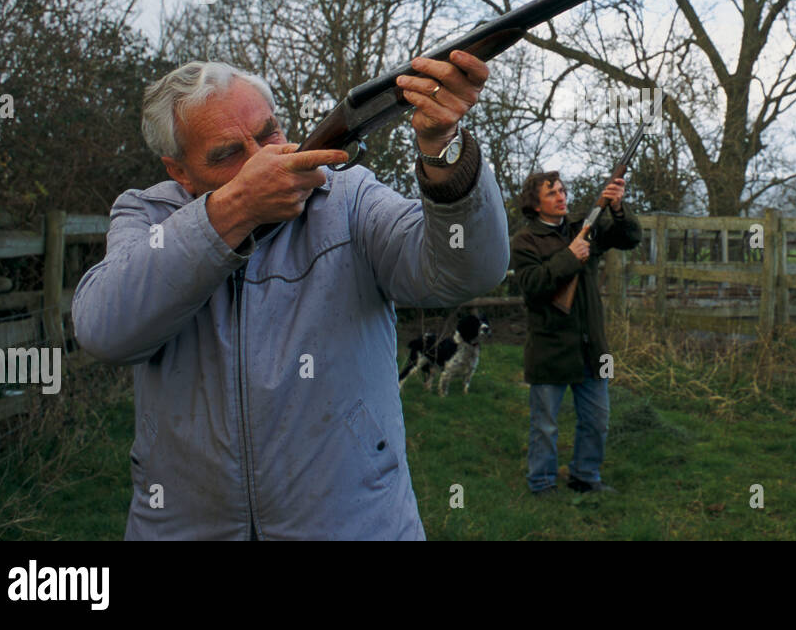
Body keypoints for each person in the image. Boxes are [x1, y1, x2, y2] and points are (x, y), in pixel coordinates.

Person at [73, 52, 508, 539]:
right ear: (180, 171)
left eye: (268, 134)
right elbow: (105, 331)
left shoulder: (347, 197)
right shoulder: (146, 214)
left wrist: (442, 149)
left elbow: (465, 271)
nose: (260, 158)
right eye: (226, 154)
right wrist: (232, 212)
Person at [510, 171, 641, 496]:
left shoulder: (584, 228)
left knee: (597, 420)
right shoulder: (525, 241)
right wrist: (570, 257)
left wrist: (618, 207)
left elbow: (629, 239)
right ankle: (541, 483)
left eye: (562, 190)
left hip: (592, 347)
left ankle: (585, 476)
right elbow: (532, 287)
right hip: (549, 347)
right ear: (536, 205)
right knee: (544, 426)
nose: (561, 196)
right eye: (552, 192)